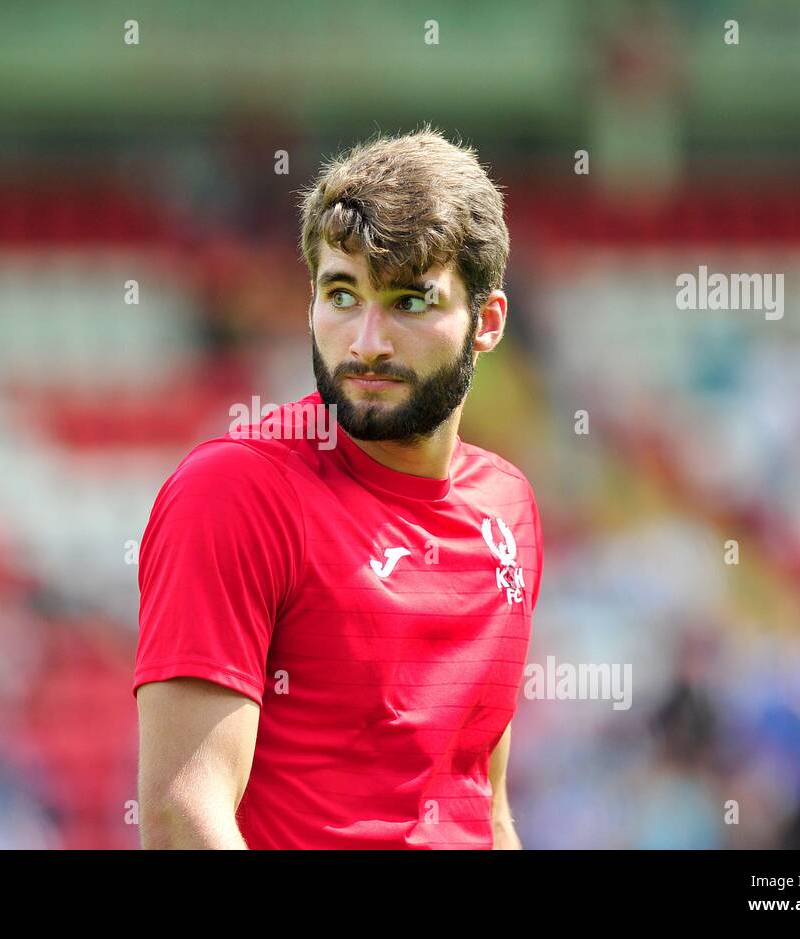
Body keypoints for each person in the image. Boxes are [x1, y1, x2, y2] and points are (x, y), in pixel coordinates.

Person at [133, 125, 544, 848]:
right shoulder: (235, 492)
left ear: (487, 322)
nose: (367, 342)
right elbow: (182, 815)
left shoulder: (507, 507)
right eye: (343, 293)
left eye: (410, 302)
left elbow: (483, 798)